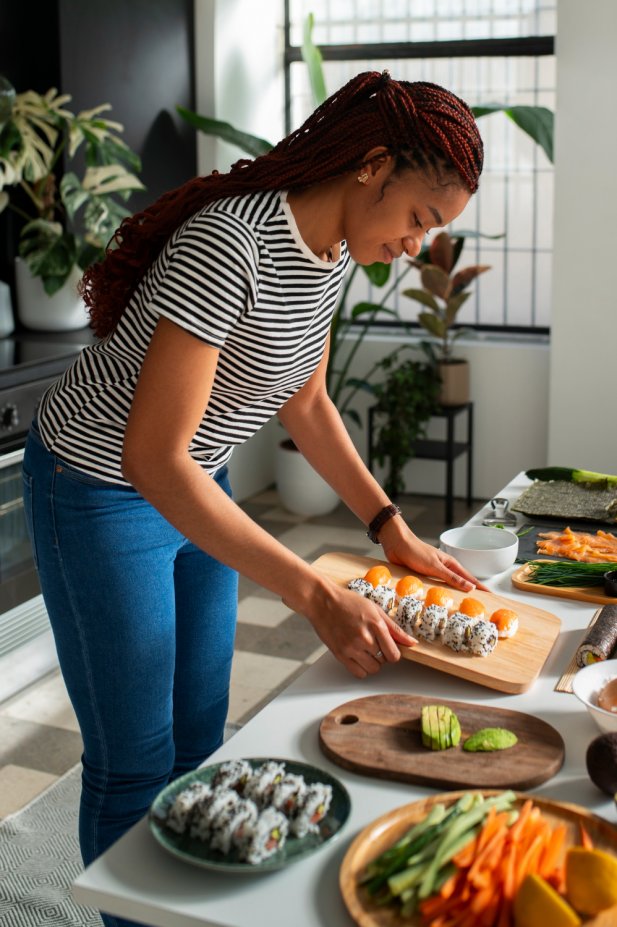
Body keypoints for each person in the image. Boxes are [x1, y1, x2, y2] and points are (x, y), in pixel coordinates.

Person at [22, 69, 484, 924]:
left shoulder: (332, 252)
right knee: (134, 758)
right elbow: (152, 459)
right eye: (420, 218)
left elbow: (303, 401)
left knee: (200, 736)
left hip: (199, 482)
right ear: (372, 167)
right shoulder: (226, 245)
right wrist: (313, 591)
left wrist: (389, 527)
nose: (418, 246)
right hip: (99, 488)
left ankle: (186, 909)